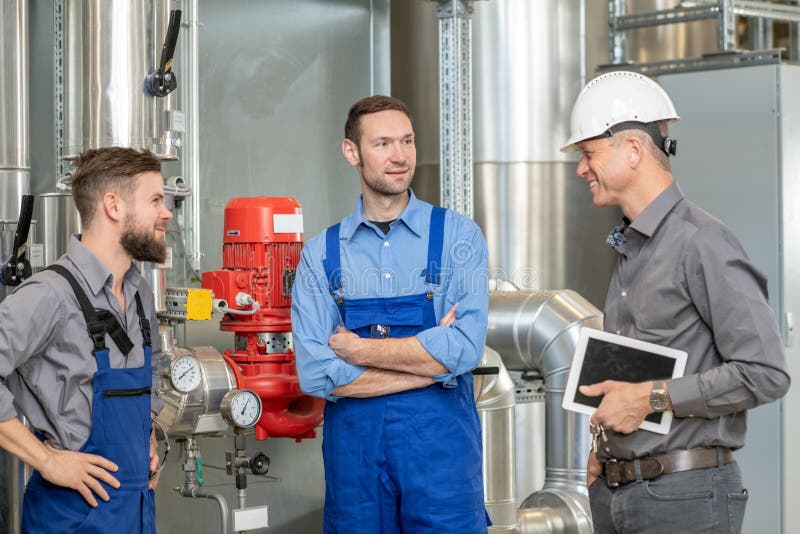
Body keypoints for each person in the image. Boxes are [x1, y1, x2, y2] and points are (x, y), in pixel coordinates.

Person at [561, 71, 790, 533]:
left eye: (588, 154)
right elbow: (638, 369)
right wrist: (606, 447)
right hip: (617, 490)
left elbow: (767, 373)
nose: (582, 168)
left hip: (684, 498)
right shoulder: (631, 248)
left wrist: (652, 398)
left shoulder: (702, 242)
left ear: (632, 149)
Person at [291, 95, 490, 533]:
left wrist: (359, 350)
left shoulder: (458, 237)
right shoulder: (321, 255)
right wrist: (428, 368)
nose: (399, 156)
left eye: (407, 141)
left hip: (441, 457)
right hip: (355, 461)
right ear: (352, 152)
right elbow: (317, 374)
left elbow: (463, 349)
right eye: (382, 143)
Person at [0, 147, 172, 533]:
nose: (167, 213)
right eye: (156, 200)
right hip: (71, 517)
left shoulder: (141, 293)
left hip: (137, 510)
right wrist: (46, 460)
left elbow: (152, 376)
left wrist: (147, 440)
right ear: (113, 205)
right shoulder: (49, 295)